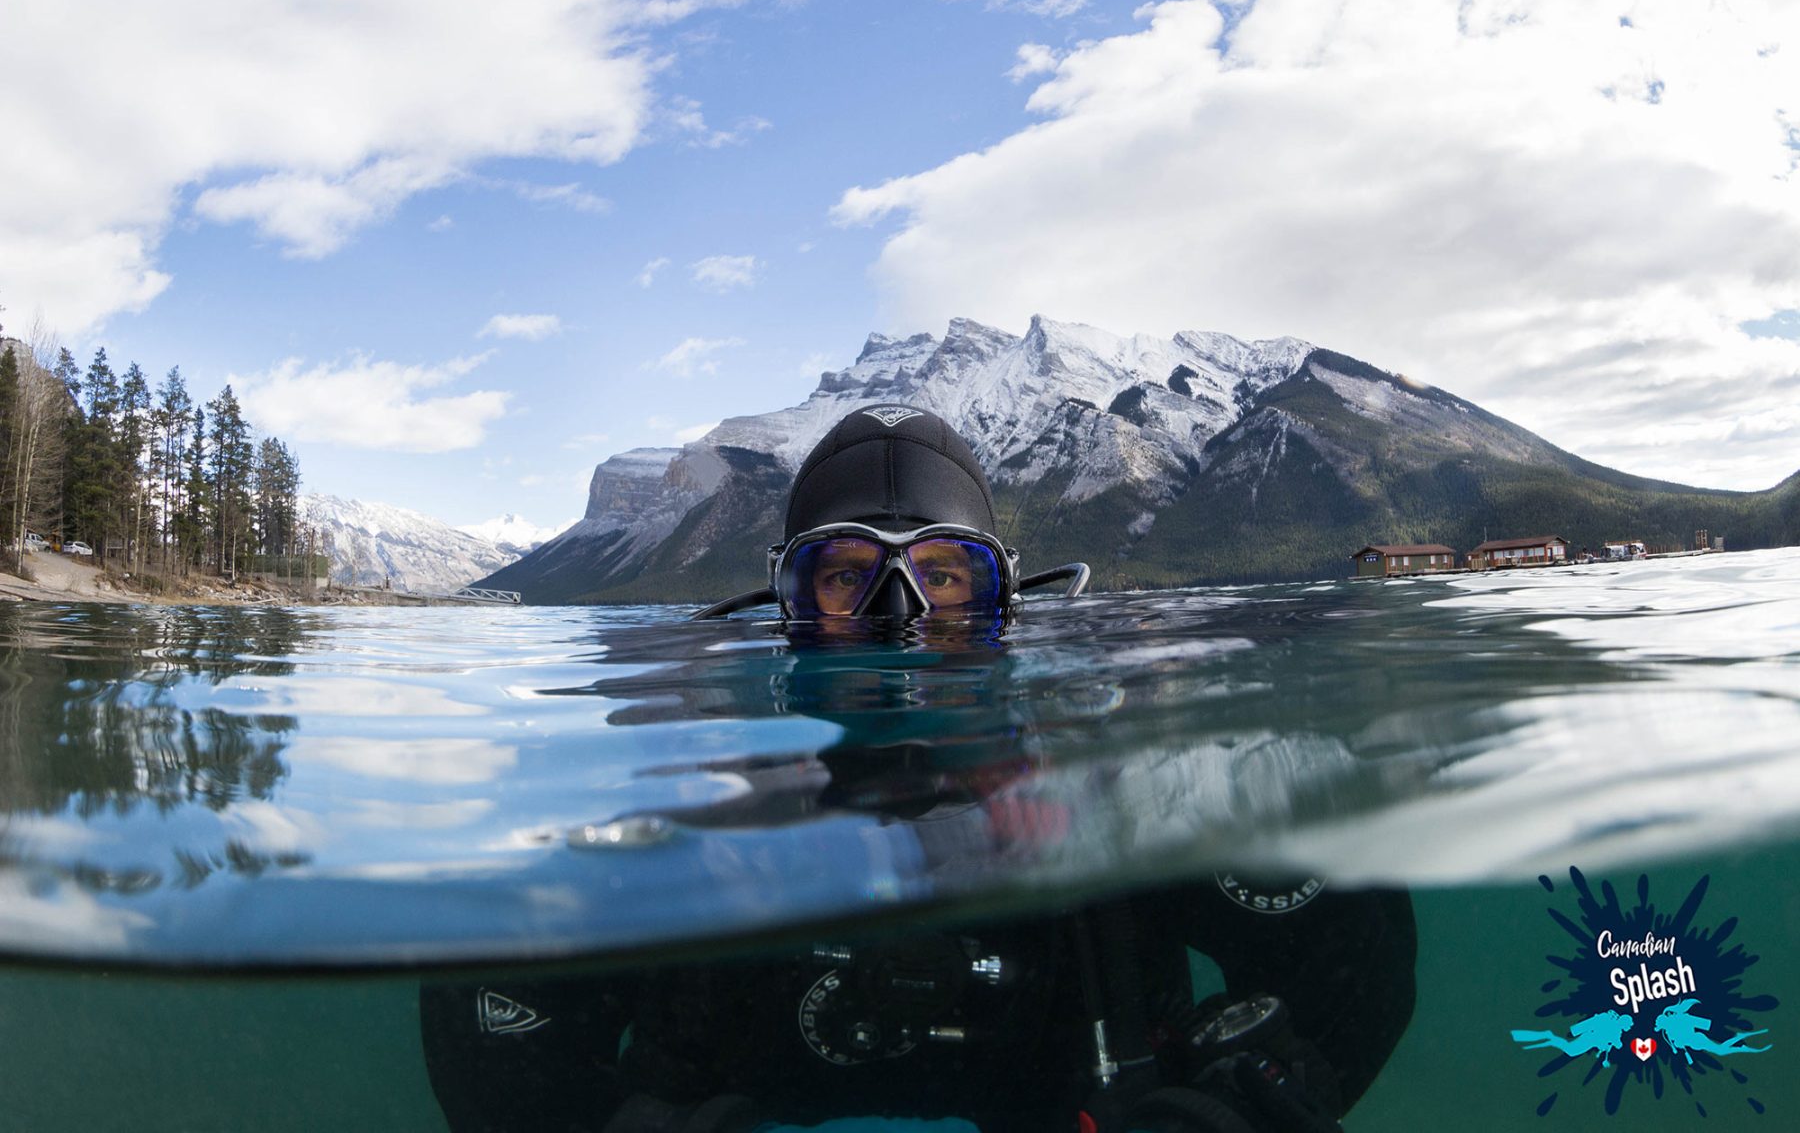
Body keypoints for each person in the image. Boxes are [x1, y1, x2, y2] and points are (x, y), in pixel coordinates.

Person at [420, 404, 1414, 1133]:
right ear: (783, 601)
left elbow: (1350, 959)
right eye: (848, 574)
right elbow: (491, 1004)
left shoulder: (1110, 783)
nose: (900, 618)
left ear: (1006, 598)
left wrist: (1233, 1110)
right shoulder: (698, 796)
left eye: (944, 575)